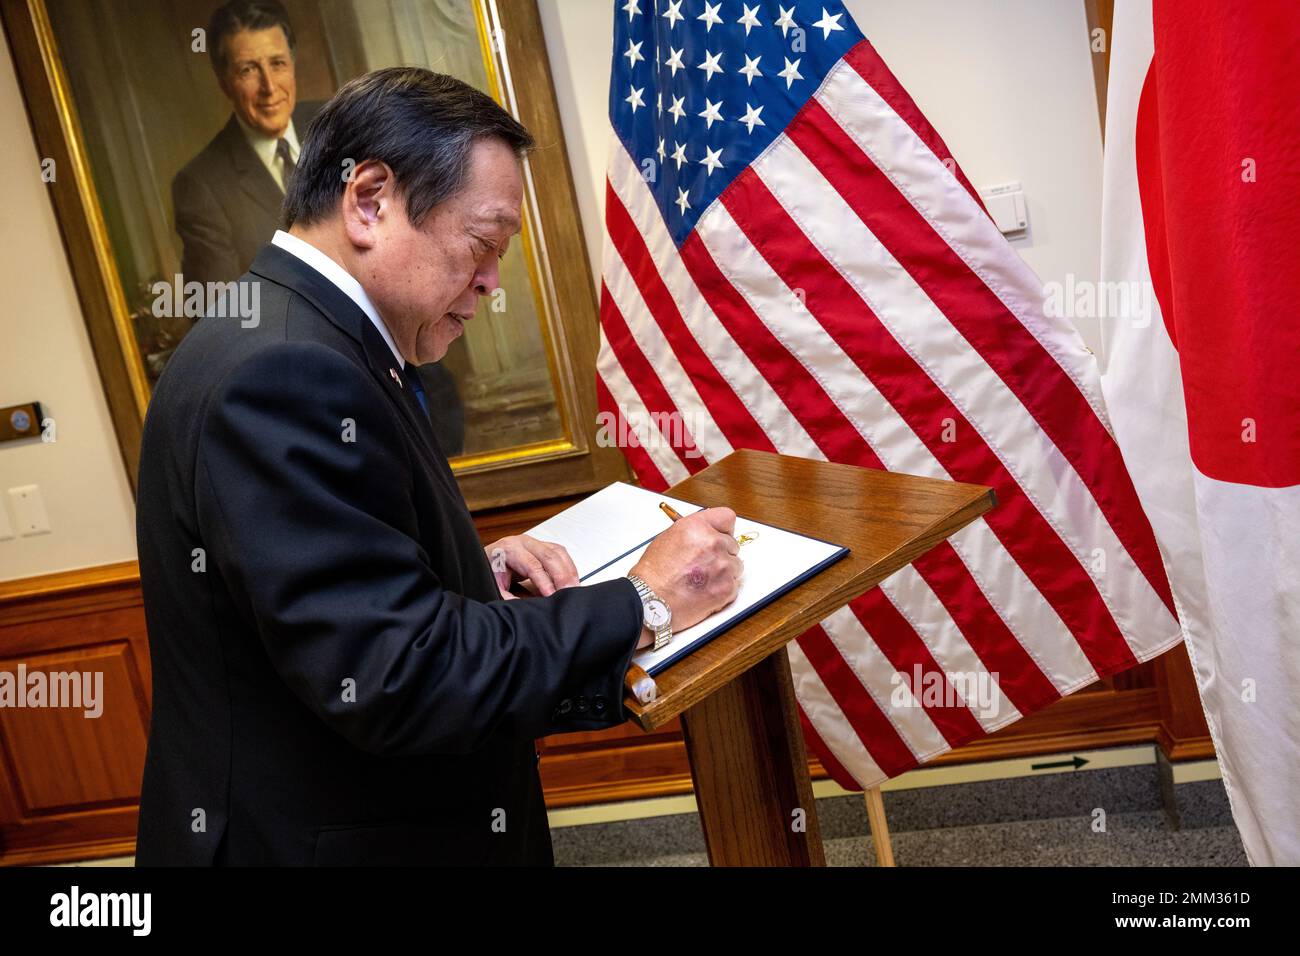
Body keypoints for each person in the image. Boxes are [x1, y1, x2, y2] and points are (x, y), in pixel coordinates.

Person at [134, 66, 743, 866]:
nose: (492, 282)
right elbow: (397, 678)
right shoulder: (285, 372)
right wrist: (644, 601)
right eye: (483, 244)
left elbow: (332, 608)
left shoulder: (301, 339)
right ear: (370, 200)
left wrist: (465, 577)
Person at [173, 0, 465, 453]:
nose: (269, 86)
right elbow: (229, 316)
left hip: (415, 382)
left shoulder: (344, 127)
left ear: (293, 63)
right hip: (319, 413)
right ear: (223, 79)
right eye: (249, 69)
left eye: (277, 63)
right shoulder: (202, 184)